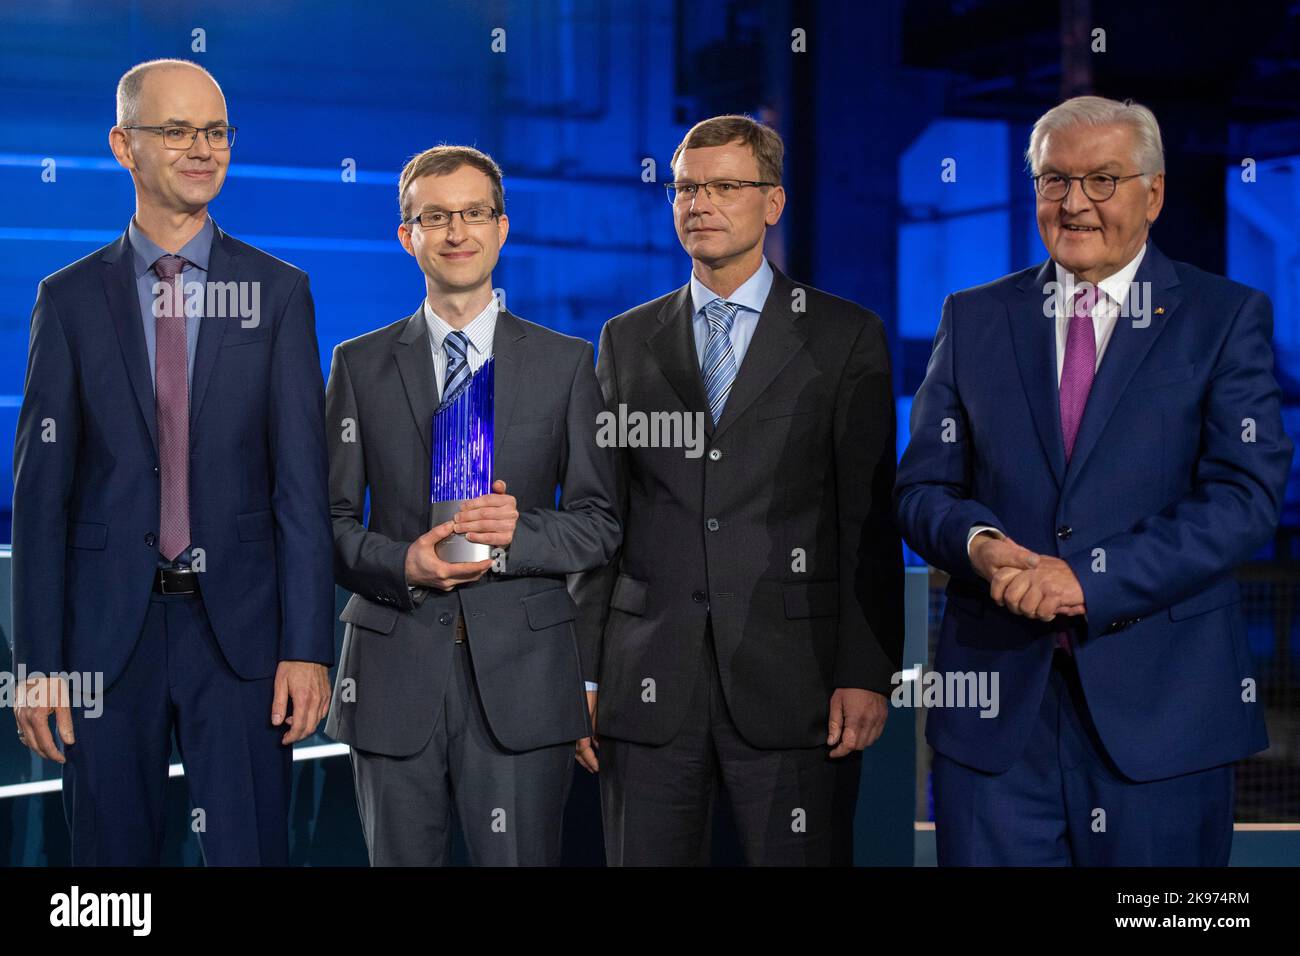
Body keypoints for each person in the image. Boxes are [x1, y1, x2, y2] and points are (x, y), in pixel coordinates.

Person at [895, 95, 1292, 866]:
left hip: (1165, 721)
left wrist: (1086, 579)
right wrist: (979, 545)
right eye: (1054, 180)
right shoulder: (974, 318)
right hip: (997, 722)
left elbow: (1245, 498)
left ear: (1155, 192)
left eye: (1102, 180)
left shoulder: (1223, 317)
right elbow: (922, 490)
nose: (1074, 203)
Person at [11, 59, 334, 865]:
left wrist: (309, 645)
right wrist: (39, 665)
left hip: (245, 641)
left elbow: (301, 488)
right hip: (106, 641)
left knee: (248, 853)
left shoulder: (281, 292)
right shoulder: (70, 299)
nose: (203, 148)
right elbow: (41, 497)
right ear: (124, 145)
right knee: (110, 874)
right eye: (178, 130)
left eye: (216, 131)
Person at [574, 114, 904, 865]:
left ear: (773, 201)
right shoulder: (627, 337)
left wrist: (865, 671)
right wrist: (584, 671)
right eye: (687, 188)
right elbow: (605, 512)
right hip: (648, 680)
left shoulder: (844, 335)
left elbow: (867, 518)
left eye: (725, 186)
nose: (700, 203)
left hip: (797, 682)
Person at [323, 145, 620, 866]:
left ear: (502, 227)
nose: (457, 231)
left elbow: (600, 523)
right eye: (436, 216)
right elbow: (325, 526)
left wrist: (520, 536)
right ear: (408, 235)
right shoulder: (358, 366)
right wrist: (405, 562)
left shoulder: (567, 363)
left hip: (524, 677)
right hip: (393, 675)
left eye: (474, 213)